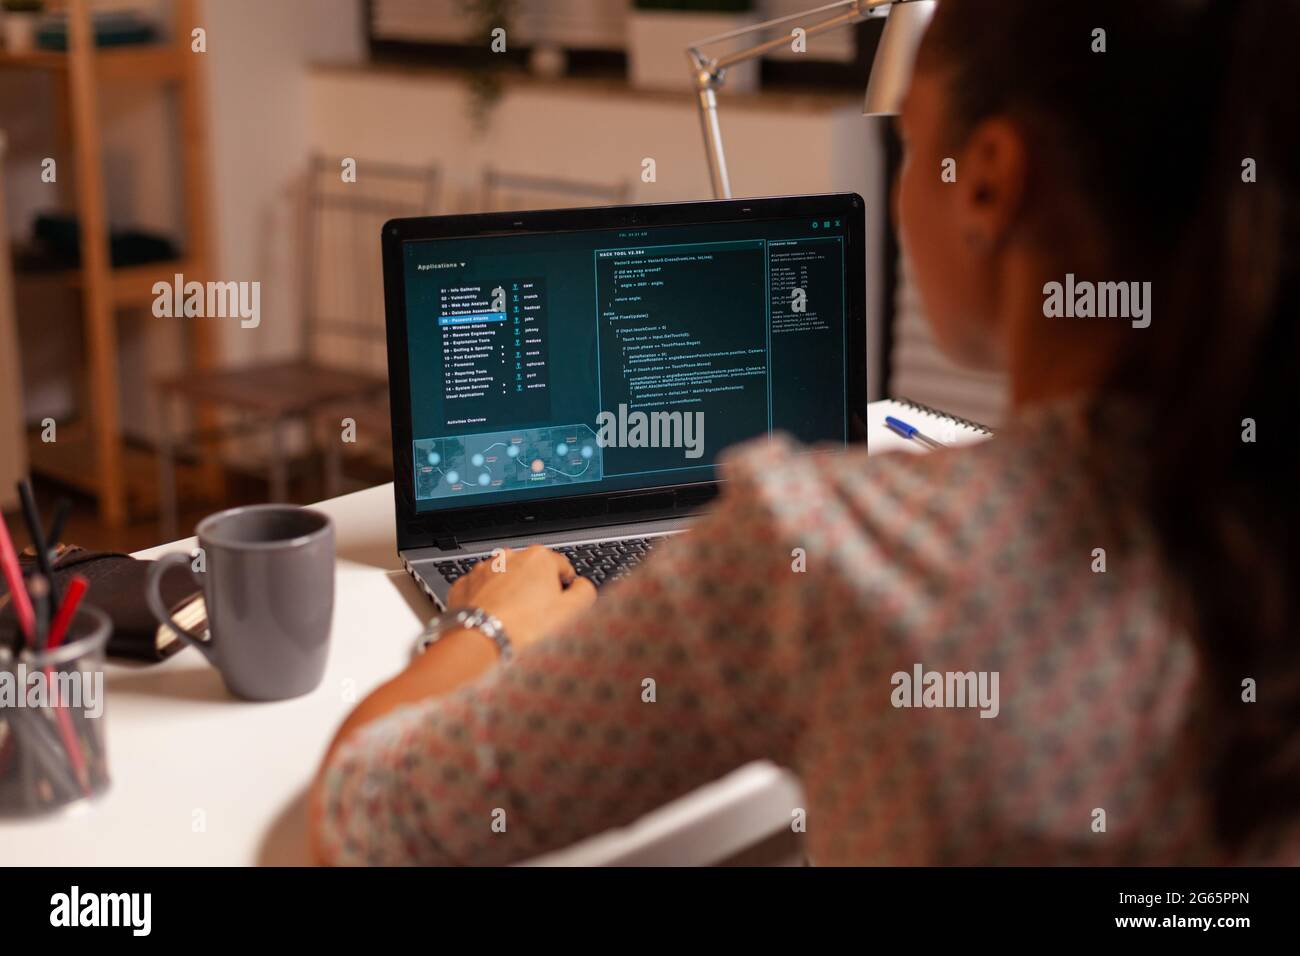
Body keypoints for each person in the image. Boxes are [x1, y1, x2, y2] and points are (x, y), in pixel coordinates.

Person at [309, 0, 1299, 865]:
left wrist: (487, 625)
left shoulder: (828, 552)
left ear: (989, 181)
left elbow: (366, 821)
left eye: (910, 145)